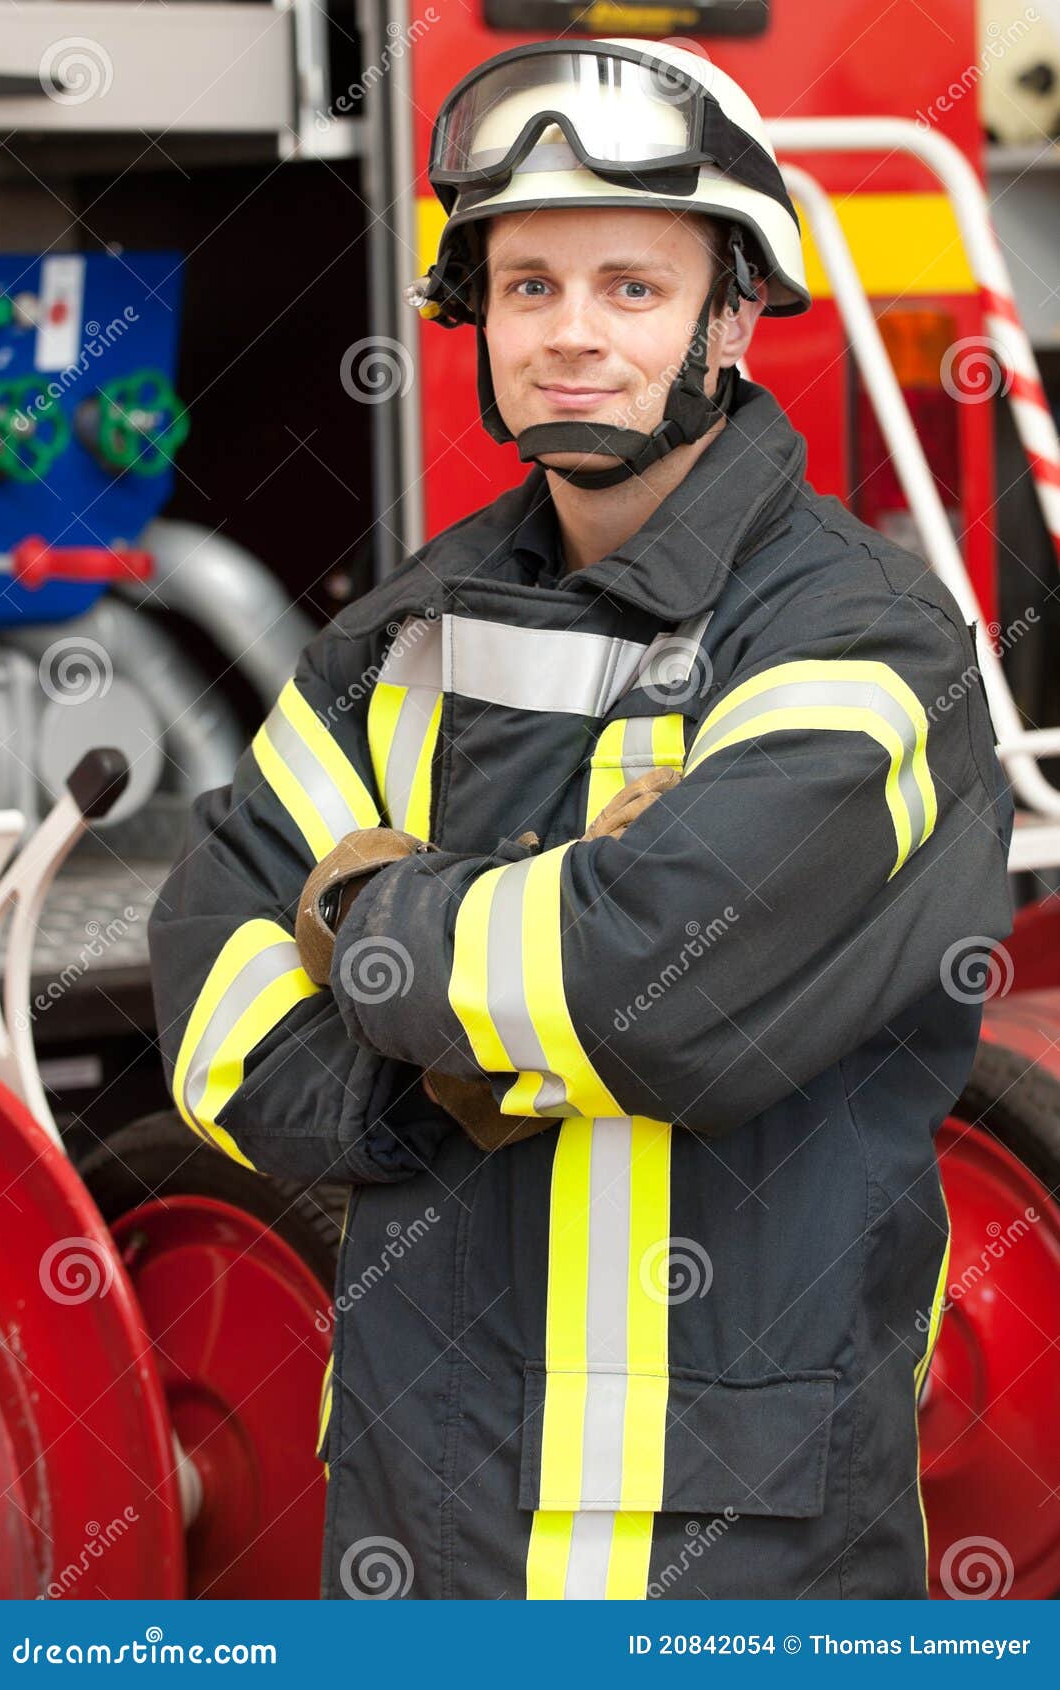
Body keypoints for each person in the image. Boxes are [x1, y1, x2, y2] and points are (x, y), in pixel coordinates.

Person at [149, 38, 1014, 1601]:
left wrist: (359, 918)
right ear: (473, 317)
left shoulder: (866, 644)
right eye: (529, 284)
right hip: (414, 1531)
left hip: (738, 1560)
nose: (570, 337)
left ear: (733, 315)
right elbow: (210, 990)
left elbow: (642, 988)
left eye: (631, 285)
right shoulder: (392, 640)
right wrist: (440, 1087)